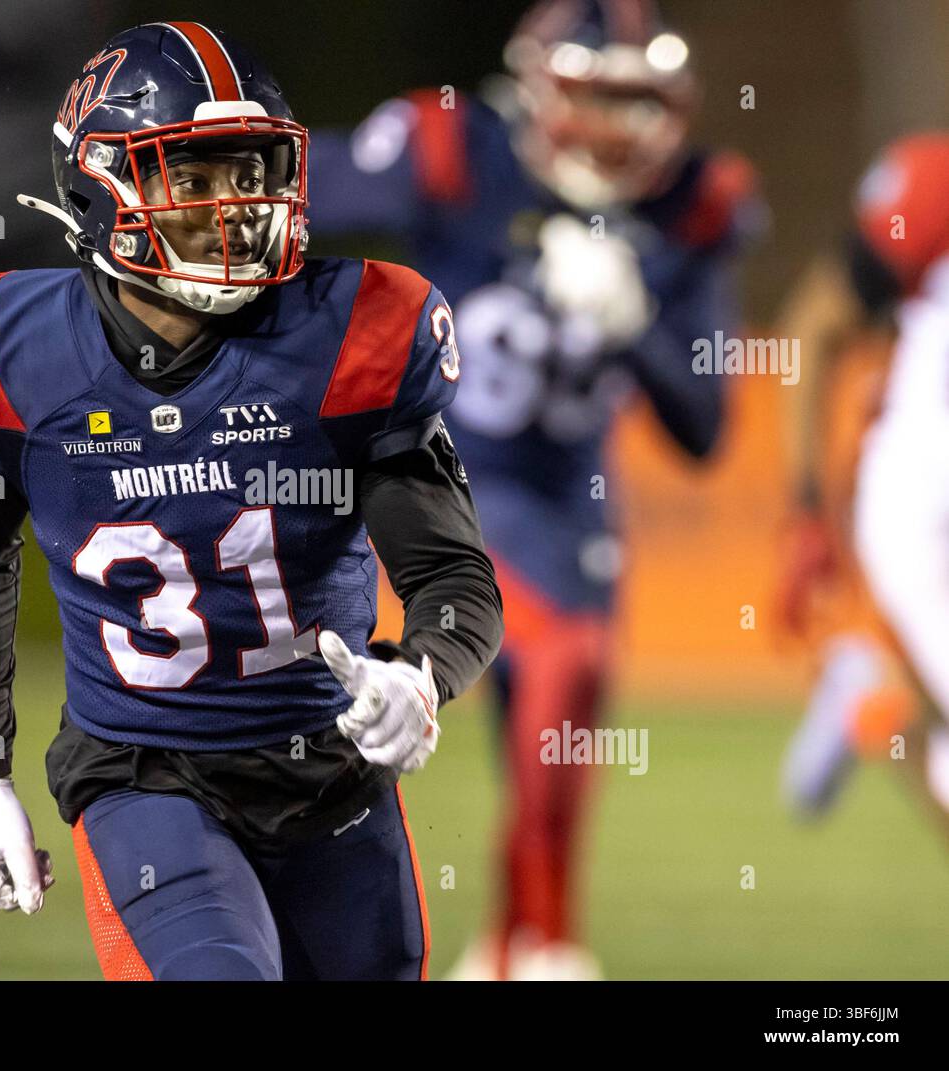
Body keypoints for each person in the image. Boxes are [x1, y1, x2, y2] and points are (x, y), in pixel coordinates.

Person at [0, 21, 503, 981]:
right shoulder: (17, 353)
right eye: (191, 180)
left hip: (334, 783)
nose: (234, 205)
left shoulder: (353, 335)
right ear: (102, 187)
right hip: (146, 775)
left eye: (248, 171)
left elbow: (449, 573)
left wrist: (422, 674)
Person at [308, 0, 758, 978]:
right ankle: (548, 943)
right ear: (541, 87)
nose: (613, 128)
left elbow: (704, 429)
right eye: (594, 97)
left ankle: (511, 946)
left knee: (563, 713)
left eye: (635, 103)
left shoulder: (690, 205)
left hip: (572, 496)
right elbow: (291, 205)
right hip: (446, 473)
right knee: (559, 653)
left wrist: (636, 317)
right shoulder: (453, 149)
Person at [778, 133, 949, 834]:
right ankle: (885, 686)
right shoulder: (932, 185)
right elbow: (813, 323)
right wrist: (809, 506)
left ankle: (880, 690)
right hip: (928, 500)